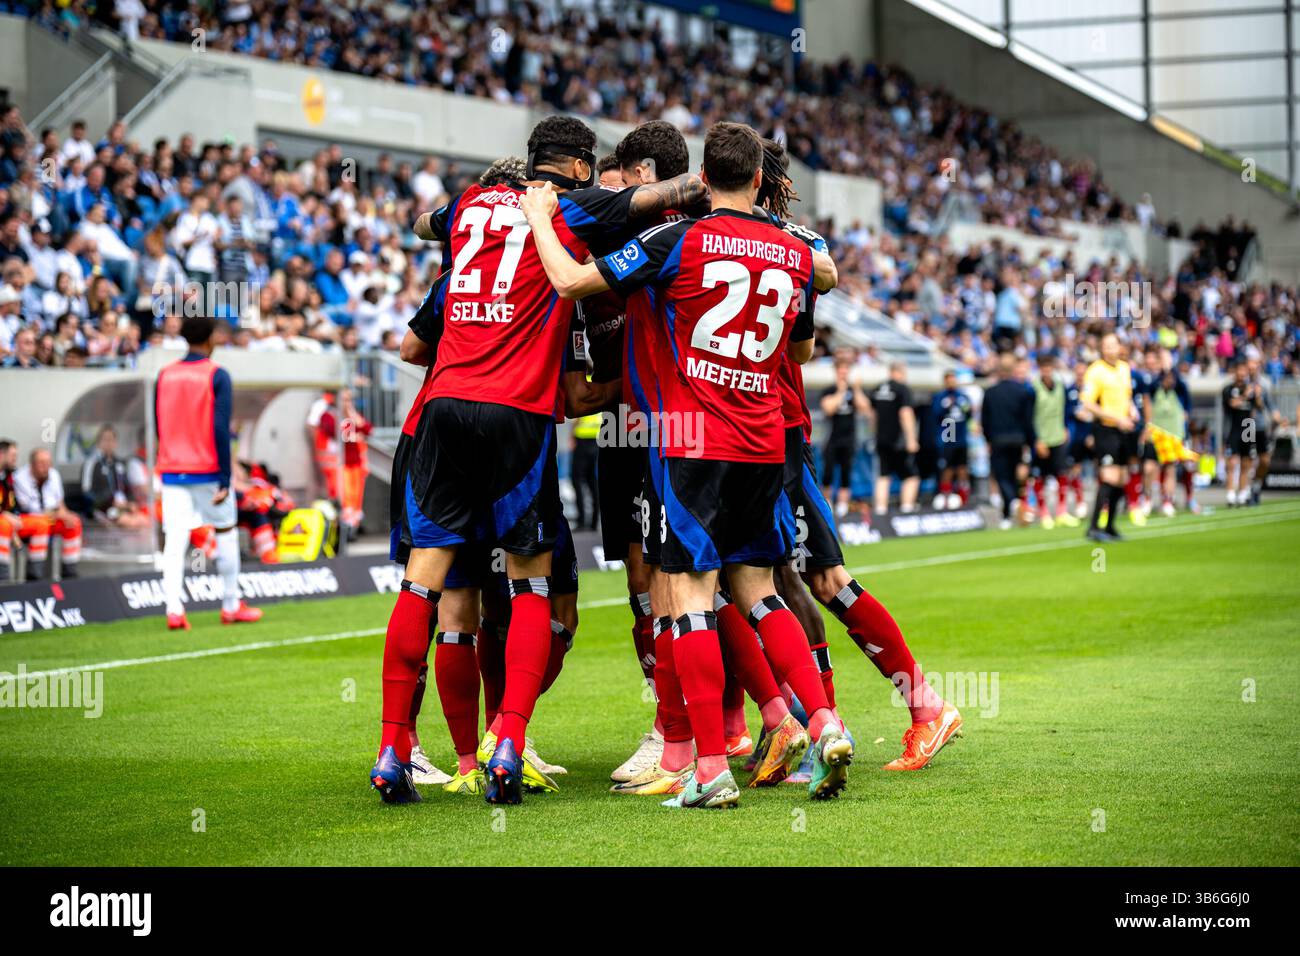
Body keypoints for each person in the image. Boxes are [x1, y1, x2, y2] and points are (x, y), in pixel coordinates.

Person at [373, 114, 705, 806]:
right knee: (530, 586)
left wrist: (463, 216)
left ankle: (392, 749)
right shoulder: (574, 204)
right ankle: (509, 746)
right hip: (515, 414)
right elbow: (657, 199)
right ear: (581, 166)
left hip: (440, 407)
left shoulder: (468, 204)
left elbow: (421, 225)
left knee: (423, 586)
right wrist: (715, 179)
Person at [523, 120, 852, 808]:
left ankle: (708, 769)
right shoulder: (791, 248)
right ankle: (820, 720)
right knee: (759, 591)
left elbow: (570, 281)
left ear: (702, 176)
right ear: (760, 179)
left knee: (689, 600)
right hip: (764, 439)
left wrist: (539, 220)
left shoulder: (674, 238)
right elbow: (801, 350)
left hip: (691, 438)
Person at [155, 314, 261, 630]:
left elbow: (159, 422)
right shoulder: (216, 374)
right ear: (211, 338)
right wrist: (226, 477)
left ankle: (174, 610)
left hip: (173, 468)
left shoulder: (165, 374)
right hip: (208, 470)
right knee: (225, 531)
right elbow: (219, 427)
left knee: (175, 540)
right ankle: (230, 605)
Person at [1082, 333, 1140, 541]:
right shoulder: (1095, 371)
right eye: (1105, 346)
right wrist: (1117, 418)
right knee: (1109, 477)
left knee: (1122, 478)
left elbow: (1127, 396)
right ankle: (1093, 526)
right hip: (1106, 429)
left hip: (1123, 429)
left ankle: (1110, 526)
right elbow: (1088, 403)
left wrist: (1131, 410)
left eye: (1112, 345)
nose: (1109, 349)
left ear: (1119, 347)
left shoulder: (1124, 368)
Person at [981, 352, 1036, 529]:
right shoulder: (1022, 392)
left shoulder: (990, 393)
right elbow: (1028, 421)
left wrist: (988, 440)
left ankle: (1011, 504)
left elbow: (985, 421)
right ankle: (1007, 513)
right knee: (1011, 475)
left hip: (998, 440)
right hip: (1018, 440)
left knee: (1002, 476)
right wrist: (1030, 442)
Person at [12, 447, 82, 579]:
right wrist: (57, 514)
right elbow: (30, 508)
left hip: (50, 518)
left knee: (73, 522)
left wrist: (66, 515)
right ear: (32, 464)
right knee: (41, 523)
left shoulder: (53, 475)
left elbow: (60, 504)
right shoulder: (19, 478)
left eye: (48, 463)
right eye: (41, 463)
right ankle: (34, 575)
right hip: (26, 521)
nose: (46, 467)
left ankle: (69, 572)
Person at [1030, 353, 1078, 528]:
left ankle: (1061, 511)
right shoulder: (1033, 388)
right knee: (1040, 476)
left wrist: (1066, 427)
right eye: (1044, 368)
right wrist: (1036, 439)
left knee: (1062, 474)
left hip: (1058, 436)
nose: (1047, 371)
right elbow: (1030, 416)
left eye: (1049, 368)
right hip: (1042, 438)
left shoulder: (1060, 385)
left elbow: (1065, 409)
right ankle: (1043, 513)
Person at [867, 362, 921, 517]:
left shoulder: (877, 389)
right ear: (901, 372)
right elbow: (905, 413)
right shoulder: (902, 389)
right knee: (911, 476)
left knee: (884, 476)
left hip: (881, 439)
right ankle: (906, 509)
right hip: (898, 441)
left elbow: (872, 415)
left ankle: (881, 511)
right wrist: (911, 439)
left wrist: (876, 434)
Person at [819, 357, 868, 518]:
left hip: (849, 439)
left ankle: (843, 505)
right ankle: (827, 505)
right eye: (841, 371)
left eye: (846, 372)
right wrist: (840, 391)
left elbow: (864, 407)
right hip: (832, 438)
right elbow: (828, 409)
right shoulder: (829, 390)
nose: (844, 375)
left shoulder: (853, 391)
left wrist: (857, 389)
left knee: (846, 473)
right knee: (828, 473)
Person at [81, 424, 149, 528]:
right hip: (102, 508)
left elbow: (127, 488)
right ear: (98, 443)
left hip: (123, 506)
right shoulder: (91, 464)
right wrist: (110, 501)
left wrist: (131, 502)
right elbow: (87, 493)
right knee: (129, 522)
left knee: (144, 520)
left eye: (112, 439)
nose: (109, 443)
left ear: (116, 443)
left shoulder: (119, 464)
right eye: (105, 440)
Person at [931, 368, 974, 510]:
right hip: (948, 437)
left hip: (961, 438)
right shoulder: (940, 397)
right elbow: (936, 415)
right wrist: (946, 406)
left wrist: (964, 407)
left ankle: (963, 496)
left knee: (962, 468)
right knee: (947, 469)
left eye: (953, 379)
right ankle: (945, 496)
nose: (951, 382)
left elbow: (969, 413)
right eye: (948, 379)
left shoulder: (962, 396)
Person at [1221, 360, 1260, 507]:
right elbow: (1232, 404)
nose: (1243, 374)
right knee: (1232, 462)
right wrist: (1245, 395)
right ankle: (1230, 494)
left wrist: (1258, 395)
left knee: (1246, 462)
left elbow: (1258, 407)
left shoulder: (1251, 389)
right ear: (1235, 372)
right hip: (1234, 427)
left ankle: (1243, 494)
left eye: (1245, 371)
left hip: (1248, 427)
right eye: (1240, 370)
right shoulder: (1228, 389)